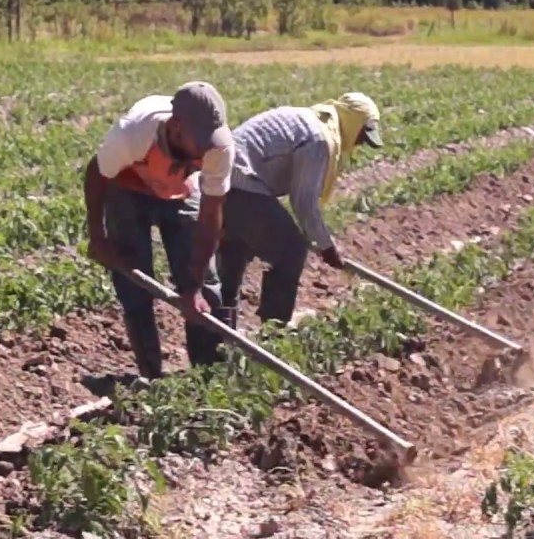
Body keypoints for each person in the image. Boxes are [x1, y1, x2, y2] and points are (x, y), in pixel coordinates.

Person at [82, 81, 236, 379]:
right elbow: (97, 174)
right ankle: (152, 376)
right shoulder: (133, 134)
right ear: (176, 127)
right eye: (200, 141)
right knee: (134, 281)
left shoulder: (219, 147)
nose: (206, 151)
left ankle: (208, 379)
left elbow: (210, 215)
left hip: (181, 192)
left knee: (206, 286)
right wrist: (97, 237)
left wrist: (192, 286)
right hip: (127, 190)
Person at [216, 92, 383, 327]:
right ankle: (273, 331)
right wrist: (326, 246)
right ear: (352, 122)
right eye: (363, 136)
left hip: (221, 180)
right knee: (291, 250)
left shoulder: (309, 122)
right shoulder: (318, 139)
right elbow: (303, 200)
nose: (360, 143)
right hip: (241, 181)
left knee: (234, 255)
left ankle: (220, 339)